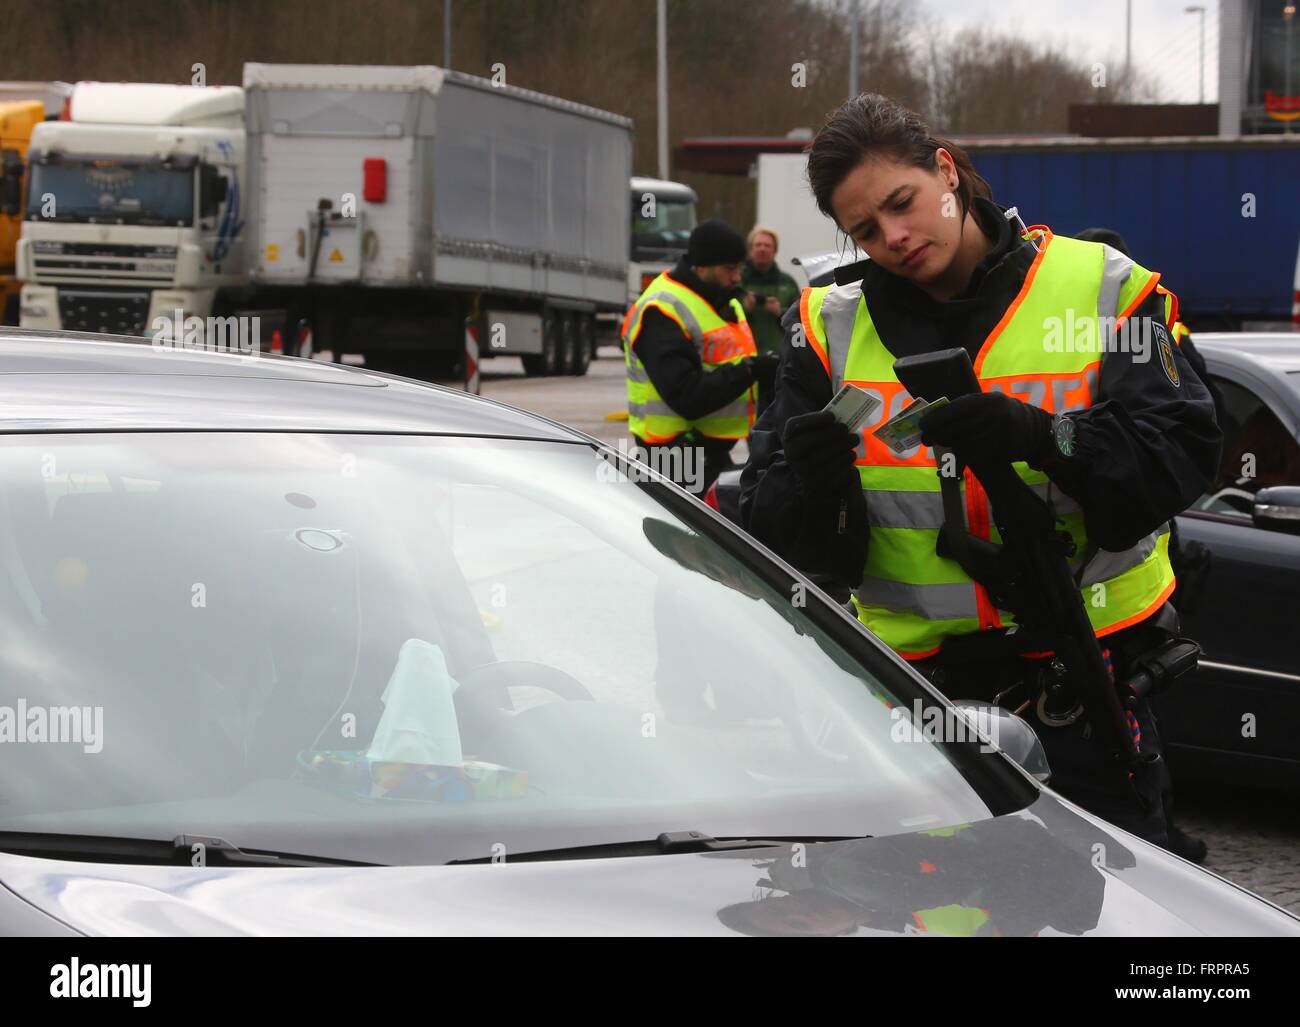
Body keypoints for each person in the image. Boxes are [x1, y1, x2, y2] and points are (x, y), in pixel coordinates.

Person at [739, 94, 1222, 851]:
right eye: (866, 229)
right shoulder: (826, 327)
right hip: (915, 705)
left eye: (903, 203)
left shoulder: (1106, 287)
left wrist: (1046, 434)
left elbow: (1179, 455)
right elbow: (784, 550)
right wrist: (812, 484)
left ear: (945, 170)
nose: (894, 237)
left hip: (1085, 687)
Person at [623, 219, 779, 494]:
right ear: (701, 266)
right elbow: (686, 395)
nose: (736, 277)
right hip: (671, 457)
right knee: (686, 535)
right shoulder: (662, 310)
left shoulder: (723, 300)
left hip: (707, 451)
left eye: (739, 268)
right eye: (729, 269)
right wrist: (750, 370)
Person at [740, 226, 801, 411]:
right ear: (750, 249)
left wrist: (781, 312)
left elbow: (800, 322)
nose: (762, 249)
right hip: (743, 359)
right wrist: (745, 309)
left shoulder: (787, 283)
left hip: (777, 361)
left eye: (767, 245)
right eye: (757, 245)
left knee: (773, 413)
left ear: (775, 251)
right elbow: (721, 318)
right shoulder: (737, 280)